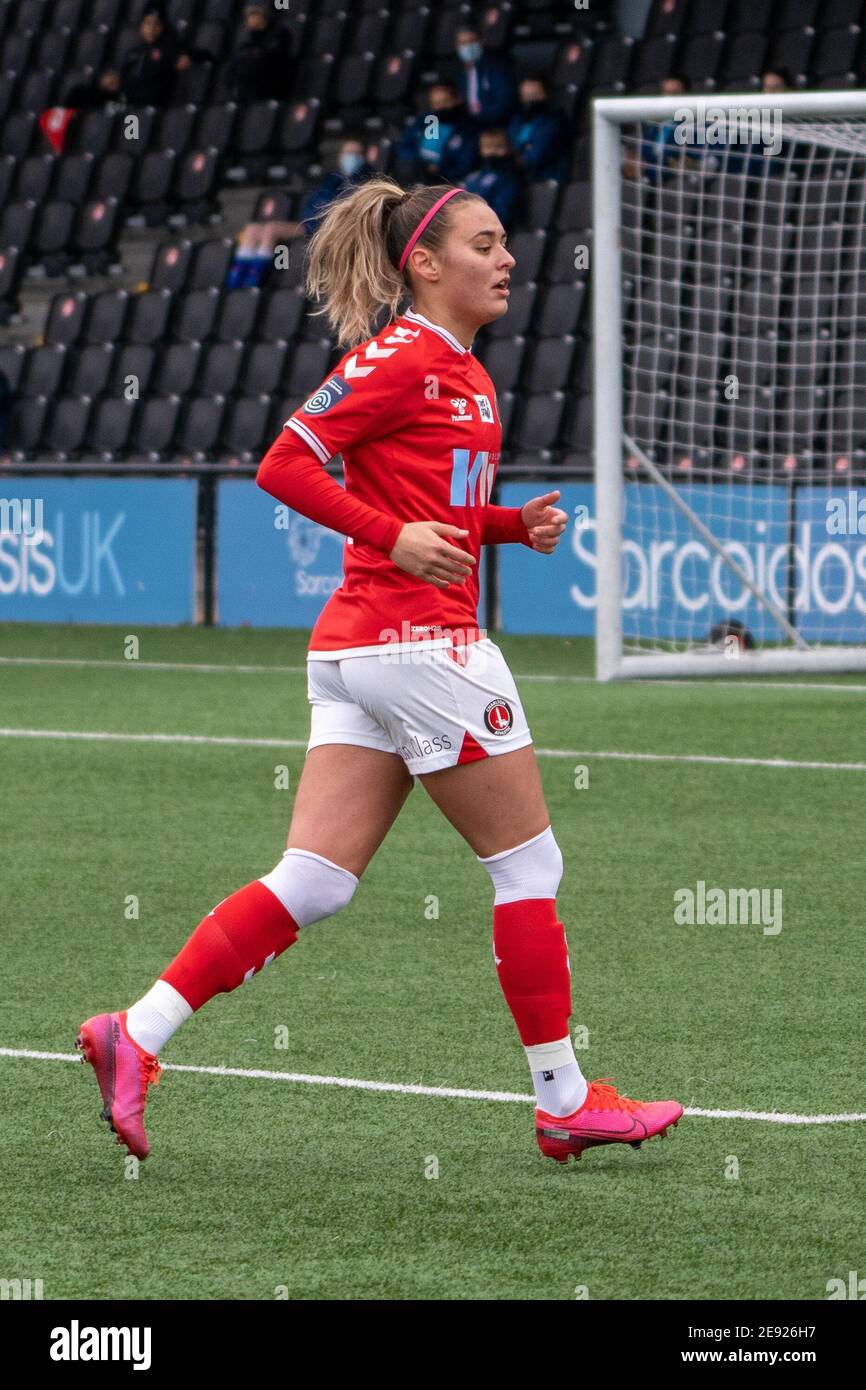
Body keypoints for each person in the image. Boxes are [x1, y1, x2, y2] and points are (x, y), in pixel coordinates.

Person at [77, 179, 684, 1166]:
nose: (505, 260)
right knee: (528, 867)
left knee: (312, 880)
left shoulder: (458, 367)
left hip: (362, 651)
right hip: (419, 647)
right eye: (484, 244)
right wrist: (393, 539)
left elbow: (423, 503)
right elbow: (283, 464)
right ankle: (562, 1098)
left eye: (504, 244)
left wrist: (501, 527)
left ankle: (132, 1033)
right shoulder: (402, 356)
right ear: (427, 264)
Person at [225, 137, 376, 288]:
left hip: (329, 227)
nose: (352, 157)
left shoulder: (365, 180)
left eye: (356, 153)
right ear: (340, 156)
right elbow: (314, 204)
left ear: (364, 156)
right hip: (312, 221)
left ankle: (257, 280)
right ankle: (235, 282)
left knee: (272, 230)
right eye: (348, 152)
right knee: (252, 230)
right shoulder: (331, 179)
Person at [394, 82, 478, 186]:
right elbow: (404, 146)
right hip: (416, 174)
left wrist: (439, 169)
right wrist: (417, 164)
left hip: (446, 182)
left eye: (445, 102)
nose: (441, 107)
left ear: (457, 99)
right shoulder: (425, 120)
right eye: (436, 103)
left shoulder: (467, 129)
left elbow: (464, 165)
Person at [120, 9, 194, 107]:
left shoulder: (169, 50)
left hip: (155, 105)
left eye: (157, 24)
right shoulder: (132, 53)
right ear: (141, 26)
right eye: (148, 24)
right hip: (130, 103)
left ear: (162, 27)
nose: (152, 29)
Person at [225, 3, 294, 102]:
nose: (248, 21)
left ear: (260, 16)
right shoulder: (248, 42)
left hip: (273, 85)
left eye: (251, 16)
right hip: (252, 89)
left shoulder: (279, 33)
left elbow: (271, 57)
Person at [506, 76, 569, 182]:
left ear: (547, 94)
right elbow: (508, 145)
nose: (530, 100)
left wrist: (517, 154)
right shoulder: (517, 119)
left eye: (535, 95)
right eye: (526, 96)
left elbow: (536, 156)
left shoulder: (554, 119)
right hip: (519, 178)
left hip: (546, 178)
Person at [454, 25, 518, 130]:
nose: (468, 47)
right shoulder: (461, 74)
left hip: (498, 127)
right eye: (463, 43)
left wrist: (478, 121)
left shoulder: (498, 67)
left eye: (472, 41)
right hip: (474, 128)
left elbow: (504, 104)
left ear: (482, 41)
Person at [463, 129, 521, 229]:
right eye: (488, 147)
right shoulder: (475, 176)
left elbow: (502, 212)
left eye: (498, 147)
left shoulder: (509, 177)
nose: (492, 151)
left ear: (508, 148)